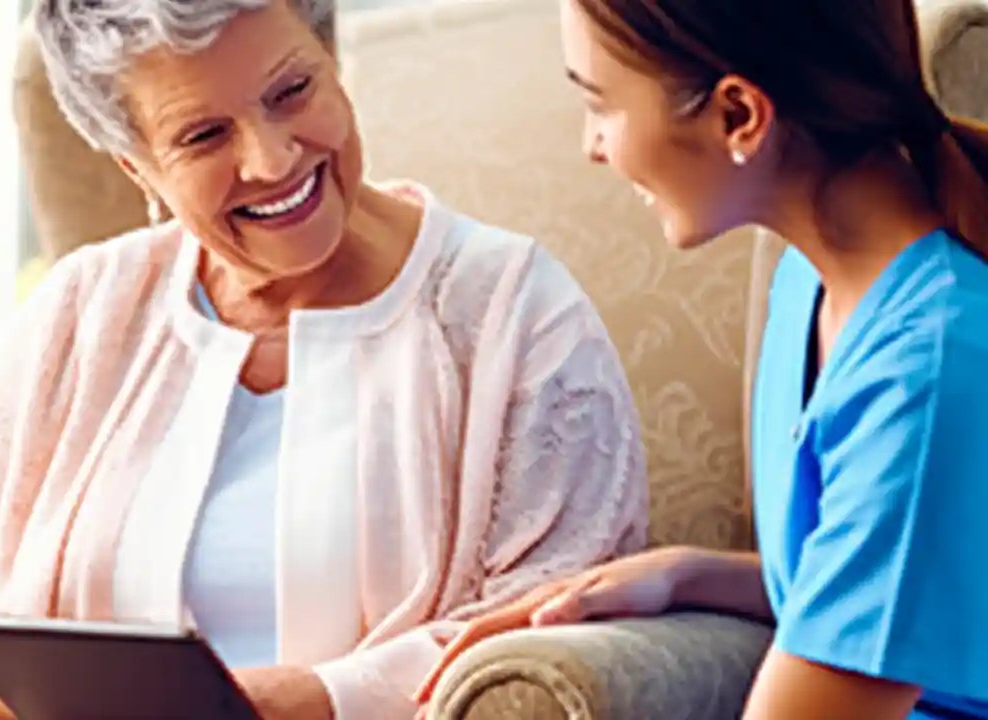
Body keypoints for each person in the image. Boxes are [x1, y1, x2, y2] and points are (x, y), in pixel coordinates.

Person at [0, 1, 649, 719]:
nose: (272, 159)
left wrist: (309, 703)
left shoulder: (512, 312)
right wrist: (70, 703)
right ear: (136, 167)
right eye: (203, 134)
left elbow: (557, 620)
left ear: (332, 60)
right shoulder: (90, 307)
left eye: (292, 92)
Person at [416, 0, 988, 717]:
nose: (592, 145)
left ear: (739, 115)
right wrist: (683, 575)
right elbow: (877, 594)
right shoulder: (811, 283)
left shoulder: (928, 371)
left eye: (599, 104)